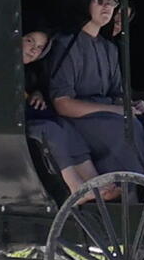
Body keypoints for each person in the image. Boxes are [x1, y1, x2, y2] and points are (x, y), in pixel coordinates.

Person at [43, 0, 144, 184]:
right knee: (127, 128)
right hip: (78, 121)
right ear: (85, 2)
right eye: (100, 0)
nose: (107, 7)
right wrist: (118, 111)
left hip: (109, 116)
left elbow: (116, 94)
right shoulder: (66, 44)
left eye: (112, 1)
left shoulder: (109, 48)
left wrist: (132, 105)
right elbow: (63, 104)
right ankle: (137, 192)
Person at [20, 29, 95, 198]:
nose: (34, 49)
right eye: (30, 41)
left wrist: (37, 93)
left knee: (66, 126)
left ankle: (94, 182)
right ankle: (75, 187)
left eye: (39, 47)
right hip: (16, 126)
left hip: (33, 120)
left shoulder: (29, 74)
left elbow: (30, 89)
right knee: (50, 129)